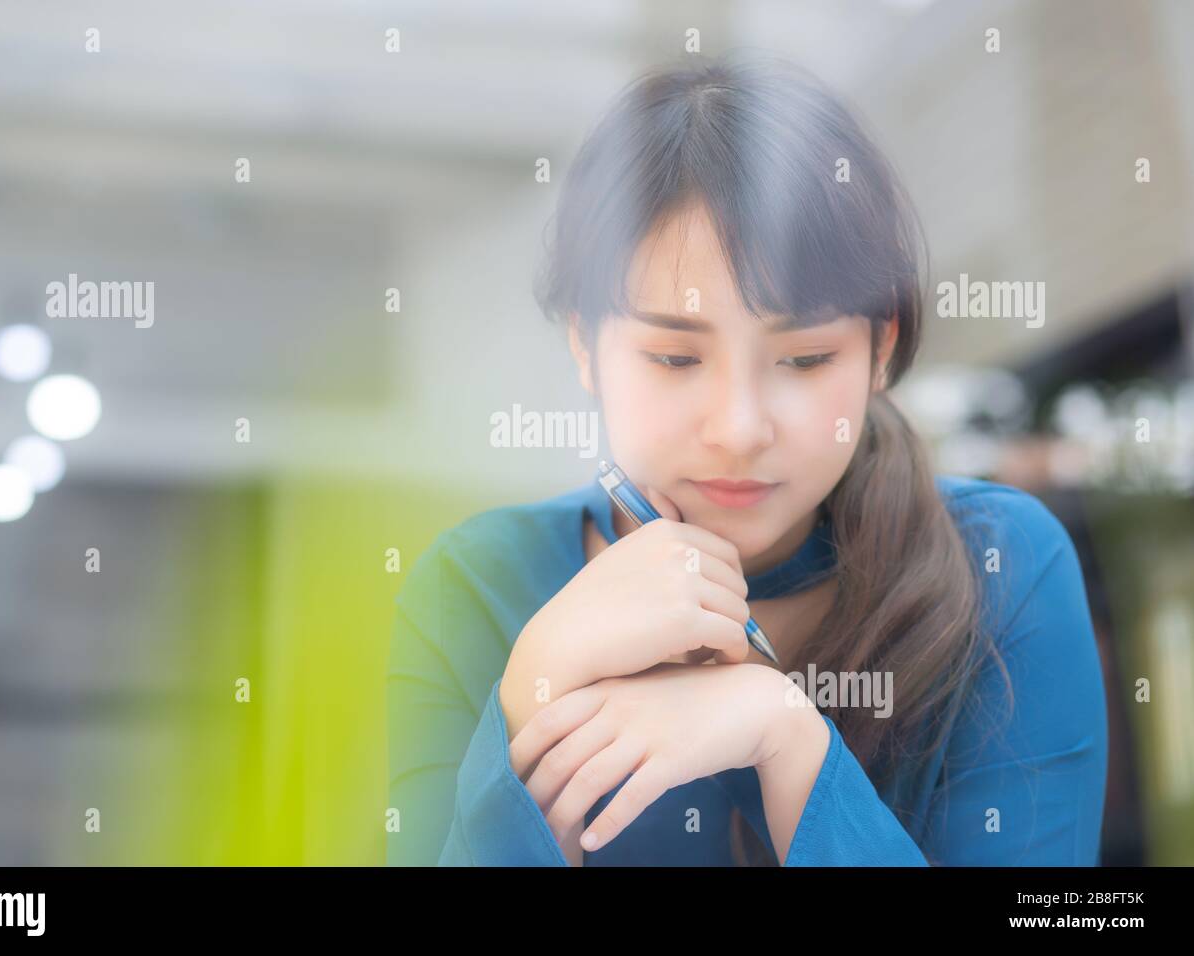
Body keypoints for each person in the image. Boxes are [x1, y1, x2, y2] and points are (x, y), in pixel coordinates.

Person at [385, 54, 1108, 866]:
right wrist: (533, 694)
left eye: (802, 360)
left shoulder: (1002, 567)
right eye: (674, 359)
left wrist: (790, 744)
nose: (738, 428)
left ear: (880, 351)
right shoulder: (474, 587)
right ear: (584, 345)